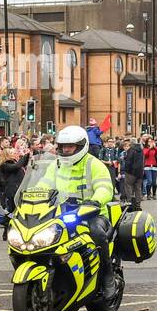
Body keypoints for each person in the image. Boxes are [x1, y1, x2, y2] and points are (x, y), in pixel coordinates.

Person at [30, 125, 116, 300]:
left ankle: (108, 277)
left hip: (91, 213)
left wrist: (96, 200)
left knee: (97, 234)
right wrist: (32, 198)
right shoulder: (57, 164)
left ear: (81, 146)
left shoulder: (94, 164)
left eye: (70, 146)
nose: (66, 149)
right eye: (63, 146)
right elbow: (44, 184)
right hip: (60, 212)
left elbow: (105, 188)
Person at [120, 136, 143, 209]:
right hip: (139, 172)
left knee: (128, 187)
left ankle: (129, 202)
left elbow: (129, 162)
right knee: (138, 188)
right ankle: (138, 204)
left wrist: (127, 169)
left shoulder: (131, 150)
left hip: (131, 172)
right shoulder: (140, 150)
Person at [141, 135, 157, 200]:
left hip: (155, 166)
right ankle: (149, 194)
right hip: (147, 166)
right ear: (147, 142)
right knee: (149, 181)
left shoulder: (155, 148)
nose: (150, 142)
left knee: (154, 182)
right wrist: (149, 148)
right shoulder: (145, 148)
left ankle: (154, 194)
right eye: (148, 141)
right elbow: (145, 154)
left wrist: (154, 147)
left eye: (151, 141)